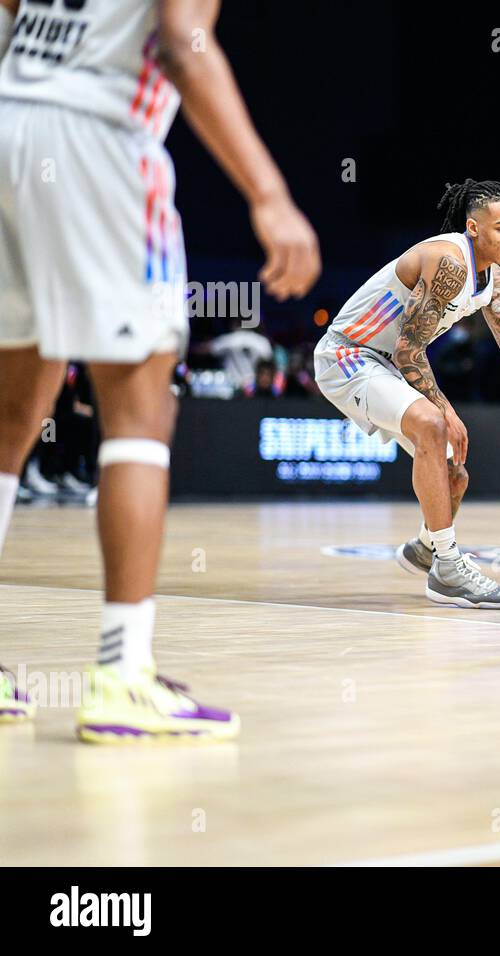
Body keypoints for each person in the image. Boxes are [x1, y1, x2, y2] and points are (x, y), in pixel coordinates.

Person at [0, 0, 320, 741]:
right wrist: (269, 195)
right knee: (140, 413)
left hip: (11, 116)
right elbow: (183, 40)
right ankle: (122, 676)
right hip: (99, 137)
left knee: (11, 418)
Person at [314, 179, 500, 609]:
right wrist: (447, 412)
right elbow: (407, 350)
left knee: (455, 477)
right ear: (473, 228)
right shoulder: (449, 263)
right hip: (351, 354)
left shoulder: (492, 279)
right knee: (432, 424)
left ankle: (425, 548)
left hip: (385, 362)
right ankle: (448, 568)